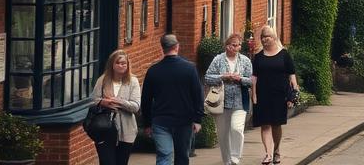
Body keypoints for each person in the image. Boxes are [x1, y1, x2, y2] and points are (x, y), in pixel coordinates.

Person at [140, 34, 204, 165]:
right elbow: (198, 96)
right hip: (184, 121)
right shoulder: (190, 69)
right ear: (177, 46)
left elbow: (145, 99)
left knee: (164, 156)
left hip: (160, 121)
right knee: (182, 156)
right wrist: (197, 119)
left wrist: (147, 123)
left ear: (162, 48)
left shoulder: (153, 71)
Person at [251, 26, 298, 165]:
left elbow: (292, 75)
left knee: (276, 125)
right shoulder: (258, 57)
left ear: (274, 37)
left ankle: (276, 150)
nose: (265, 39)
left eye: (268, 36)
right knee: (265, 125)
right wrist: (254, 95)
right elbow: (254, 77)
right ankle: (268, 154)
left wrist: (293, 94)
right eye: (263, 37)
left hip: (280, 95)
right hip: (263, 94)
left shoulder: (284, 55)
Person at [205, 33, 253, 165]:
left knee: (236, 129)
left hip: (239, 102)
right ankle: (227, 161)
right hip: (221, 102)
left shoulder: (245, 61)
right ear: (227, 46)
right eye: (234, 45)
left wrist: (240, 79)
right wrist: (222, 77)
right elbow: (207, 77)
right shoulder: (218, 60)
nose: (237, 48)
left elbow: (250, 81)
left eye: (238, 45)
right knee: (223, 134)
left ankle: (235, 159)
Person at [91, 50, 141, 165]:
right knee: (107, 162)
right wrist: (103, 102)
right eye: (118, 63)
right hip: (104, 129)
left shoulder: (133, 81)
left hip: (126, 130)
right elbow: (93, 101)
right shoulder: (102, 80)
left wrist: (119, 102)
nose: (121, 65)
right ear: (111, 65)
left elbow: (135, 106)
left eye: (124, 63)